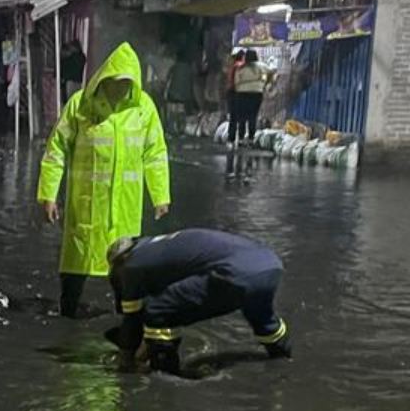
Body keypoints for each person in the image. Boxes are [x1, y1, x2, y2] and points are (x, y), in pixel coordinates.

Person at [37, 43, 171, 319]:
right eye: (118, 82)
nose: (122, 89)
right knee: (76, 266)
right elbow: (56, 150)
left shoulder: (143, 108)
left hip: (125, 208)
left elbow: (155, 154)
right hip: (86, 205)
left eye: (128, 83)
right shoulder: (80, 106)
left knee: (124, 269)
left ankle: (127, 322)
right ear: (105, 79)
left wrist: (160, 196)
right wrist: (48, 195)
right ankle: (68, 314)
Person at [106, 229, 293, 376]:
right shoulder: (160, 245)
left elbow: (132, 319)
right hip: (270, 266)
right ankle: (286, 360)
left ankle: (164, 375)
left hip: (235, 273)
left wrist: (126, 360)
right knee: (262, 320)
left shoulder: (130, 266)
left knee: (158, 309)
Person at [229, 49, 270, 146]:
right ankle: (251, 138)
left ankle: (241, 138)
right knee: (253, 116)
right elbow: (269, 75)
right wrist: (264, 85)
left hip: (242, 93)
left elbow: (236, 81)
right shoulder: (262, 67)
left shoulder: (241, 68)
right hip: (257, 93)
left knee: (242, 116)